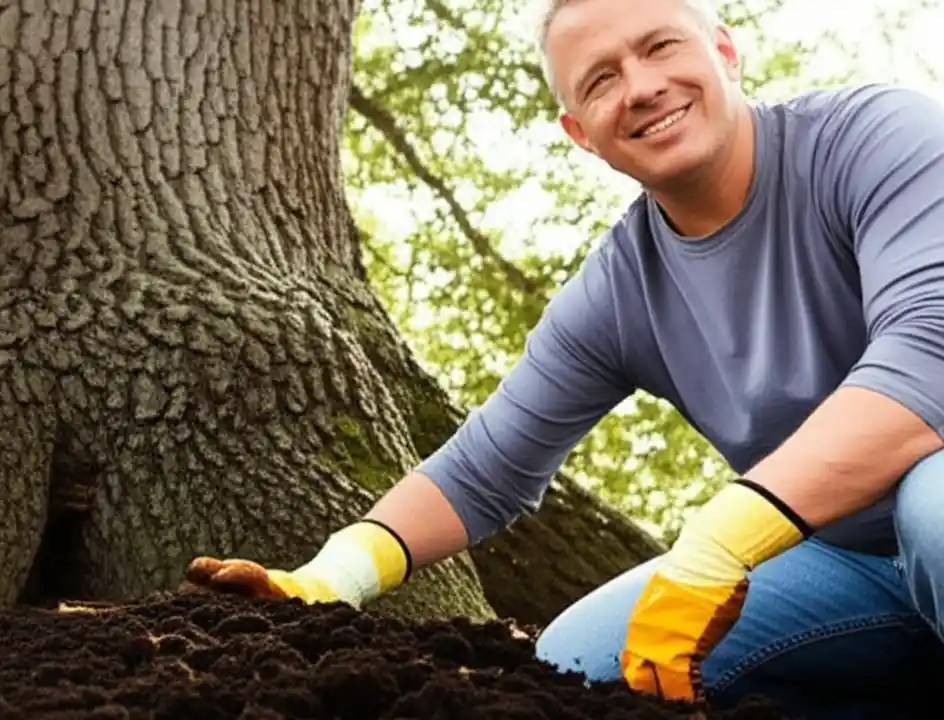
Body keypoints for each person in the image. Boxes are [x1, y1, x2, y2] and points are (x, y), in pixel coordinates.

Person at [185, 0, 944, 714]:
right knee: (583, 661)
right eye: (602, 80)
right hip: (850, 565)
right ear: (581, 132)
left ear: (724, 53)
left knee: (933, 509)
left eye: (660, 46)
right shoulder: (621, 289)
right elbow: (487, 467)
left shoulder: (876, 138)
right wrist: (333, 577)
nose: (641, 88)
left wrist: (721, 542)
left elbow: (926, 349)